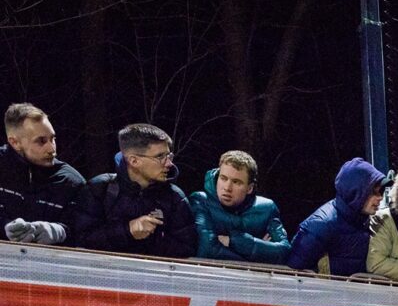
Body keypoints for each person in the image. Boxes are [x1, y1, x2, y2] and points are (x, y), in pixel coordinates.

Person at [73, 123, 197, 258]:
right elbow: (80, 240)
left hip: (153, 277)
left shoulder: (175, 197)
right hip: (105, 276)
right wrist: (127, 231)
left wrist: (152, 238)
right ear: (134, 161)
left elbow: (188, 249)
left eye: (169, 156)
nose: (169, 163)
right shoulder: (99, 190)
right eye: (160, 157)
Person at [1, 103, 84, 245]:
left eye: (53, 139)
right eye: (41, 141)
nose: (52, 149)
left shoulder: (71, 181)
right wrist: (5, 228)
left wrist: (59, 232)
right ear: (15, 142)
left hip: (48, 265)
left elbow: (85, 232)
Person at [287, 157, 386, 276]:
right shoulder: (321, 225)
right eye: (374, 192)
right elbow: (293, 274)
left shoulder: (367, 222)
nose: (380, 197)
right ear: (355, 192)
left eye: (381, 191)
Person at [188, 150, 289, 264]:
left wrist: (234, 241)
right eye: (223, 178)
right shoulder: (201, 201)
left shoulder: (267, 208)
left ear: (249, 188)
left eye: (236, 182)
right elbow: (207, 251)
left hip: (251, 281)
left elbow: (284, 252)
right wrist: (261, 252)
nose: (227, 187)